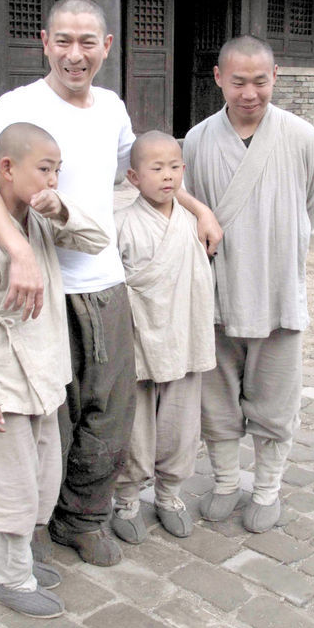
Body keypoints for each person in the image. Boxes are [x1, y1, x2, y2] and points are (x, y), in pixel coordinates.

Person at [0, 0, 221, 566]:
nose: (76, 55)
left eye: (88, 42)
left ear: (106, 47)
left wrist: (198, 208)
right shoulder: (18, 106)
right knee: (53, 411)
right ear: (46, 43)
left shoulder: (112, 108)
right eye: (64, 41)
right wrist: (19, 249)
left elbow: (143, 169)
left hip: (105, 281)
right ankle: (35, 523)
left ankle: (85, 518)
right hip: (44, 290)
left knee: (110, 408)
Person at [0, 123, 109, 617]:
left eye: (58, 171)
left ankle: (14, 562)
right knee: (8, 485)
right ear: (7, 168)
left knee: (40, 476)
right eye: (45, 169)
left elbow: (97, 240)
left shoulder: (38, 224)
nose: (53, 180)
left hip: (43, 376)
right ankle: (12, 578)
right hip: (2, 385)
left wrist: (64, 209)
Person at [183, 35, 314, 533]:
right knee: (216, 398)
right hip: (220, 293)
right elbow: (190, 210)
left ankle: (266, 488)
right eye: (239, 81)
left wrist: (278, 247)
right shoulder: (198, 139)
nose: (250, 92)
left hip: (277, 292)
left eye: (260, 81)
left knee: (275, 399)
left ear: (274, 79)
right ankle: (226, 481)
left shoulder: (302, 136)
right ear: (220, 78)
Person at [111, 131, 215, 543]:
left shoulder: (195, 221)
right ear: (134, 177)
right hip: (138, 344)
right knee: (134, 427)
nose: (167, 176)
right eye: (156, 169)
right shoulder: (120, 224)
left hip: (185, 340)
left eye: (174, 167)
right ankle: (127, 500)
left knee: (180, 425)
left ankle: (170, 494)